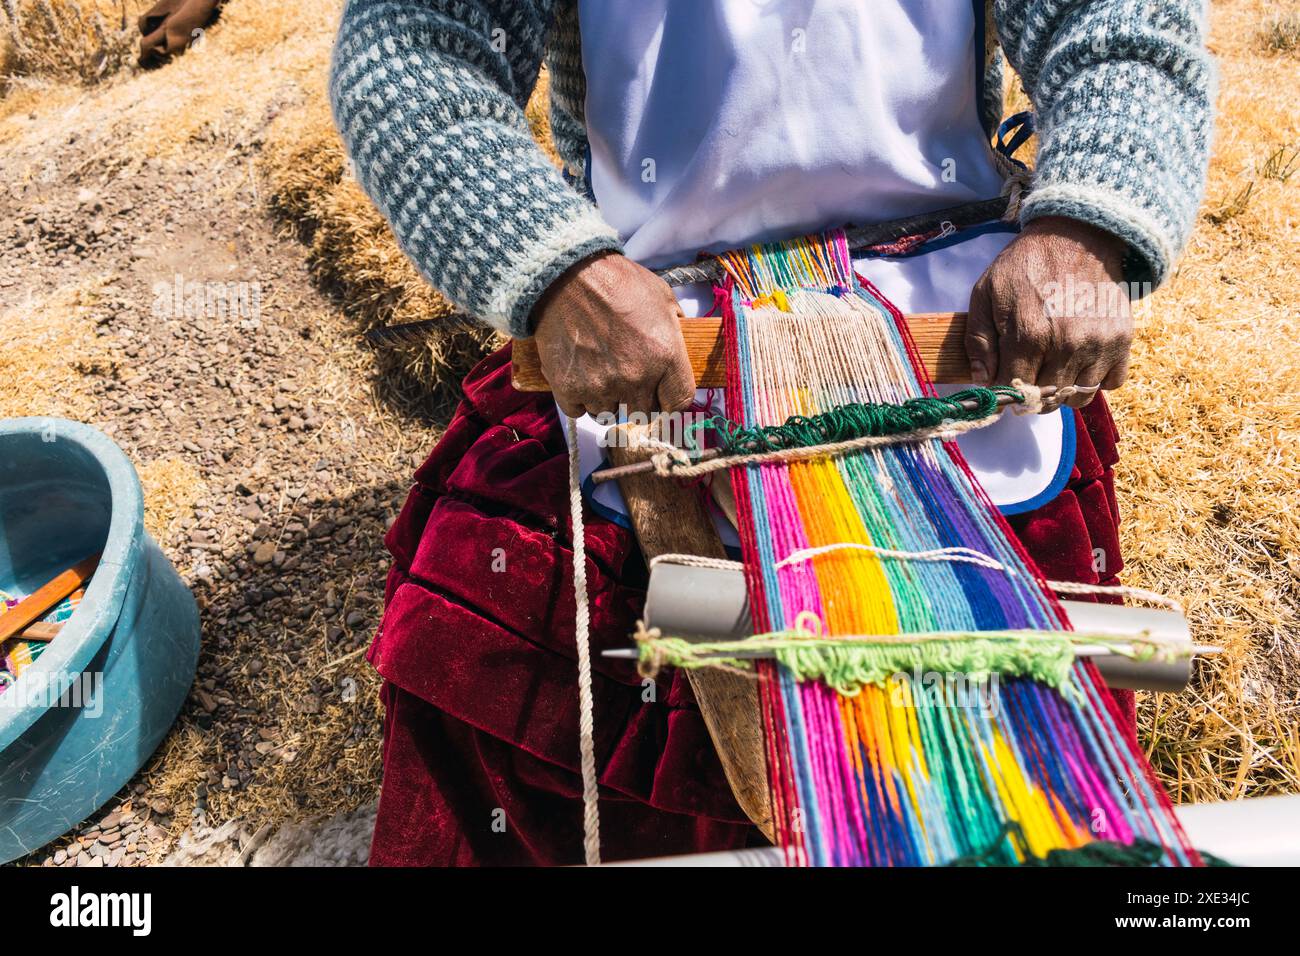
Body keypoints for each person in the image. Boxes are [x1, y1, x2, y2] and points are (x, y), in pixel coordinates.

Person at [329, 0, 1214, 866]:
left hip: (954, 339)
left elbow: (1117, 21)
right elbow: (412, 50)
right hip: (649, 323)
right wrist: (554, 270)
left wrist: (1085, 225)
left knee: (1020, 767)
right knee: (509, 686)